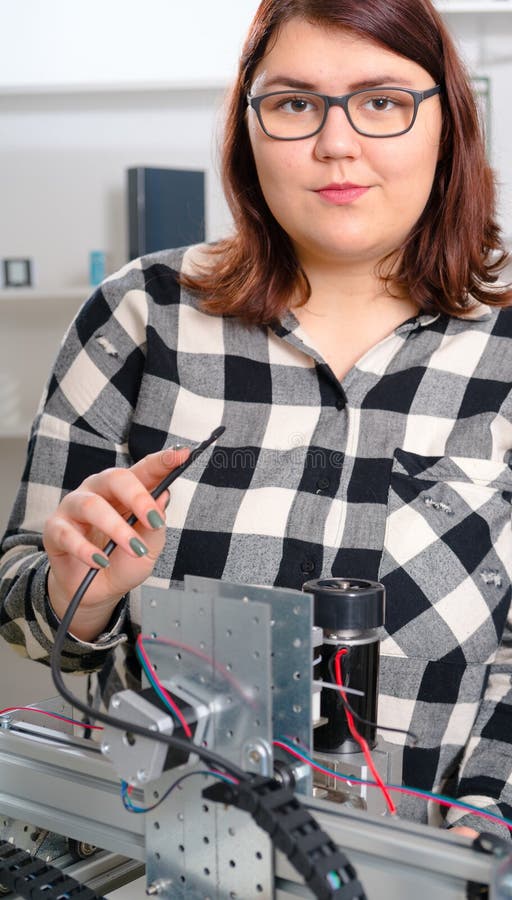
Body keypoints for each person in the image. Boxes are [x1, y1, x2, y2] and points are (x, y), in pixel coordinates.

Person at [1, 0, 511, 842]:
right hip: (160, 852)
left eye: (382, 101)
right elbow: (26, 603)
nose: (336, 144)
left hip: (426, 863)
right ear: (248, 126)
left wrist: (482, 825)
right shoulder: (139, 317)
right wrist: (74, 591)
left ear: (447, 122)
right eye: (294, 103)